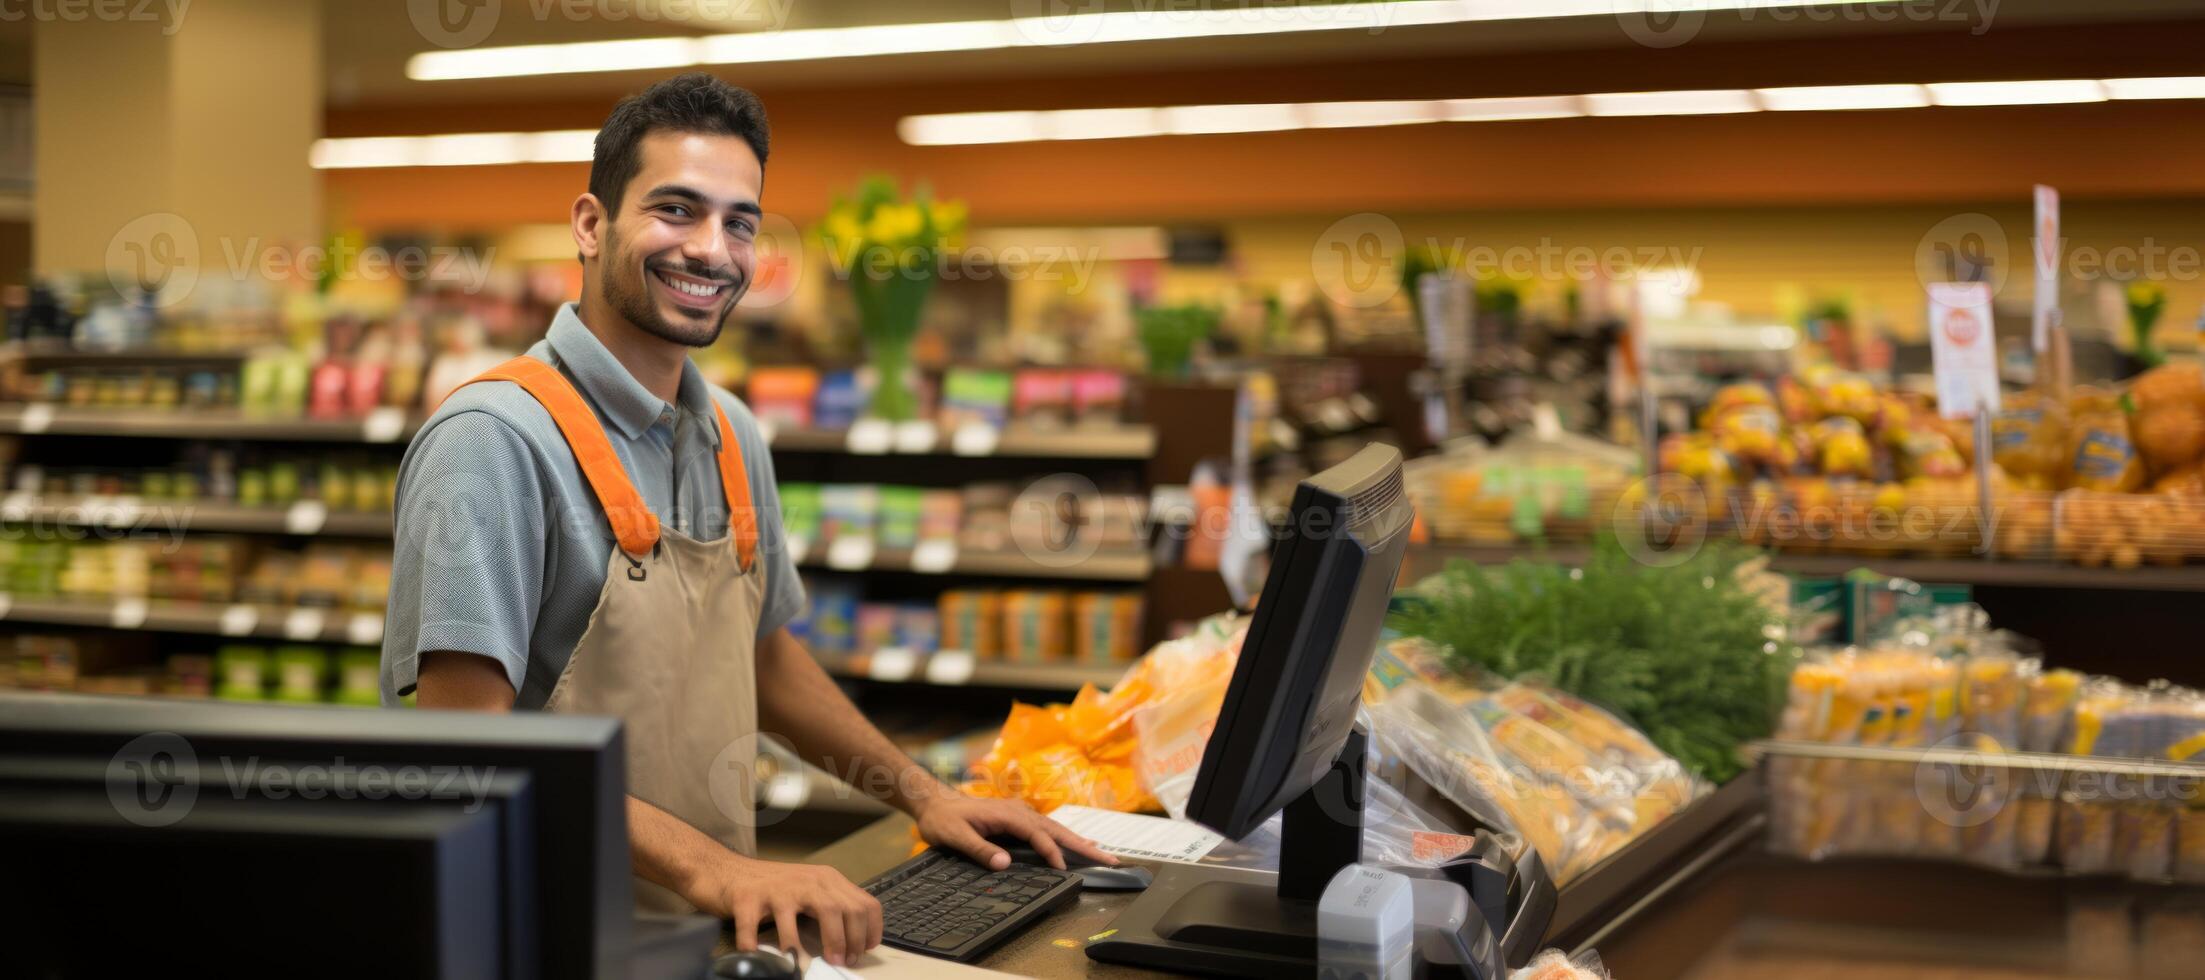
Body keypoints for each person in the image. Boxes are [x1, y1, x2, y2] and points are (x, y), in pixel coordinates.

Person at [378, 72, 1113, 968]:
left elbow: (760, 654)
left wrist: (924, 795)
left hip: (703, 937)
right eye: (676, 210)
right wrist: (720, 870)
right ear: (590, 224)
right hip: (538, 935)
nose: (711, 250)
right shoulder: (491, 443)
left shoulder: (732, 432)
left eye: (739, 223)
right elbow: (466, 745)